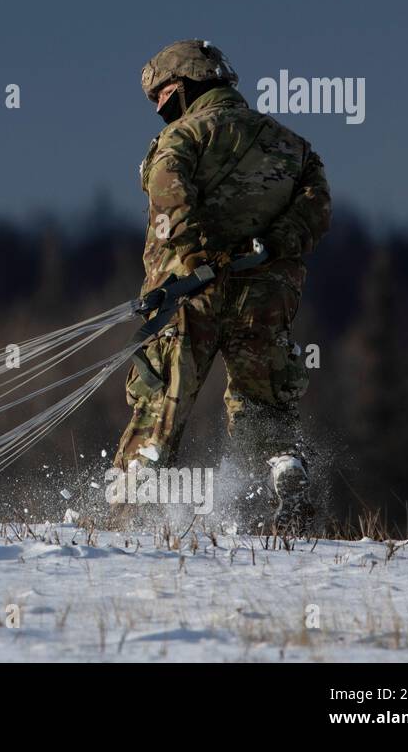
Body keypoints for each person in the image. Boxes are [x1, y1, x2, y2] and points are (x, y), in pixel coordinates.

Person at [113, 39, 332, 530]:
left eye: (161, 95)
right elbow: (316, 211)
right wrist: (272, 246)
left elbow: (167, 194)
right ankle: (285, 477)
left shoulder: (184, 138)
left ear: (186, 86)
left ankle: (128, 517)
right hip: (265, 299)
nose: (158, 108)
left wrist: (194, 258)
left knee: (160, 406)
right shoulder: (293, 145)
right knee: (264, 405)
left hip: (189, 298)